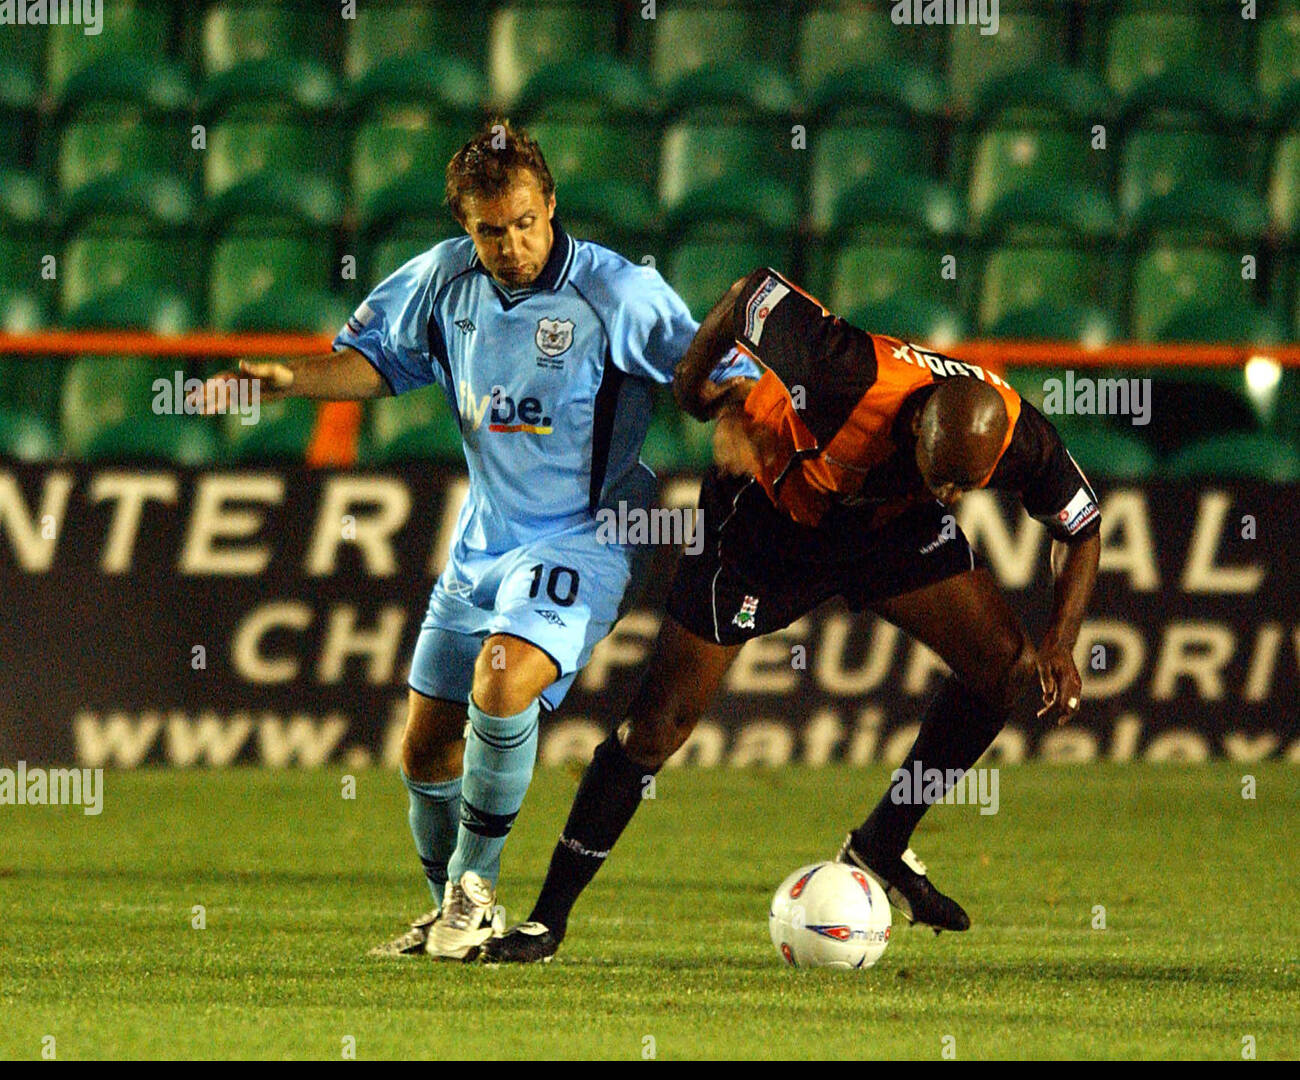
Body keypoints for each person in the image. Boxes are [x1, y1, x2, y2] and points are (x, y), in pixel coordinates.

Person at [202, 124, 755, 959]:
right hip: (482, 541)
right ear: (466, 226)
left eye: (526, 223)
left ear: (551, 205)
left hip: (588, 531)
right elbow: (377, 363)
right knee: (424, 746)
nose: (512, 246)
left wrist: (739, 423)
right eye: (491, 230)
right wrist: (288, 381)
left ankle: (475, 889)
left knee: (502, 683)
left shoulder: (618, 292)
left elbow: (708, 371)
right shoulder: (444, 278)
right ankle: (449, 909)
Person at [484, 266, 1103, 963]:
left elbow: (1081, 527)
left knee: (1004, 667)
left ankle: (881, 846)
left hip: (887, 532)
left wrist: (1061, 640)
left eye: (970, 484)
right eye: (946, 480)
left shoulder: (1015, 432)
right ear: (918, 426)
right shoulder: (844, 371)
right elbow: (755, 291)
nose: (958, 498)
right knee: (658, 726)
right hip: (766, 527)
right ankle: (547, 920)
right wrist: (697, 391)